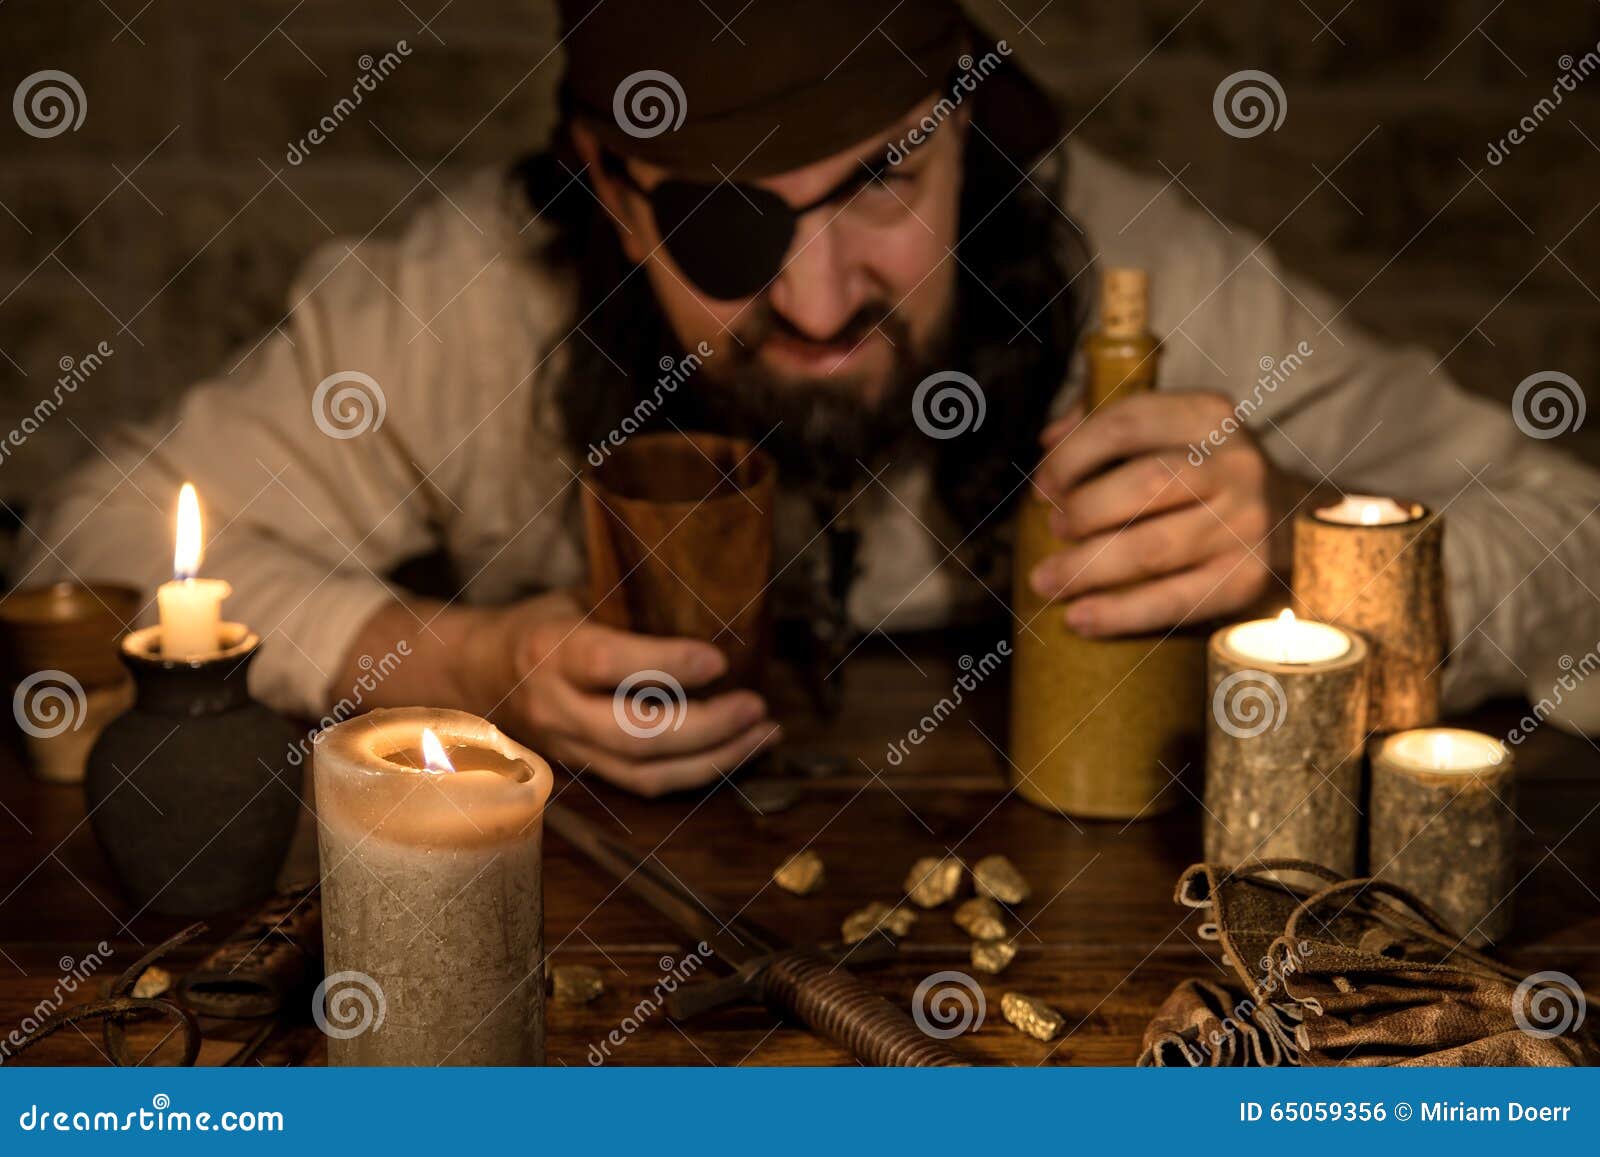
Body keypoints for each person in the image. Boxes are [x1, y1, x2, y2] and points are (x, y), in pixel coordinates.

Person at [13, 0, 1600, 796]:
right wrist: (467, 656)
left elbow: (1577, 551)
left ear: (971, 133)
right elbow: (84, 547)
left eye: (887, 184)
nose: (823, 300)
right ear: (615, 197)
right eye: (723, 225)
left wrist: (1320, 538)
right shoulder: (467, 301)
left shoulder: (1137, 268)